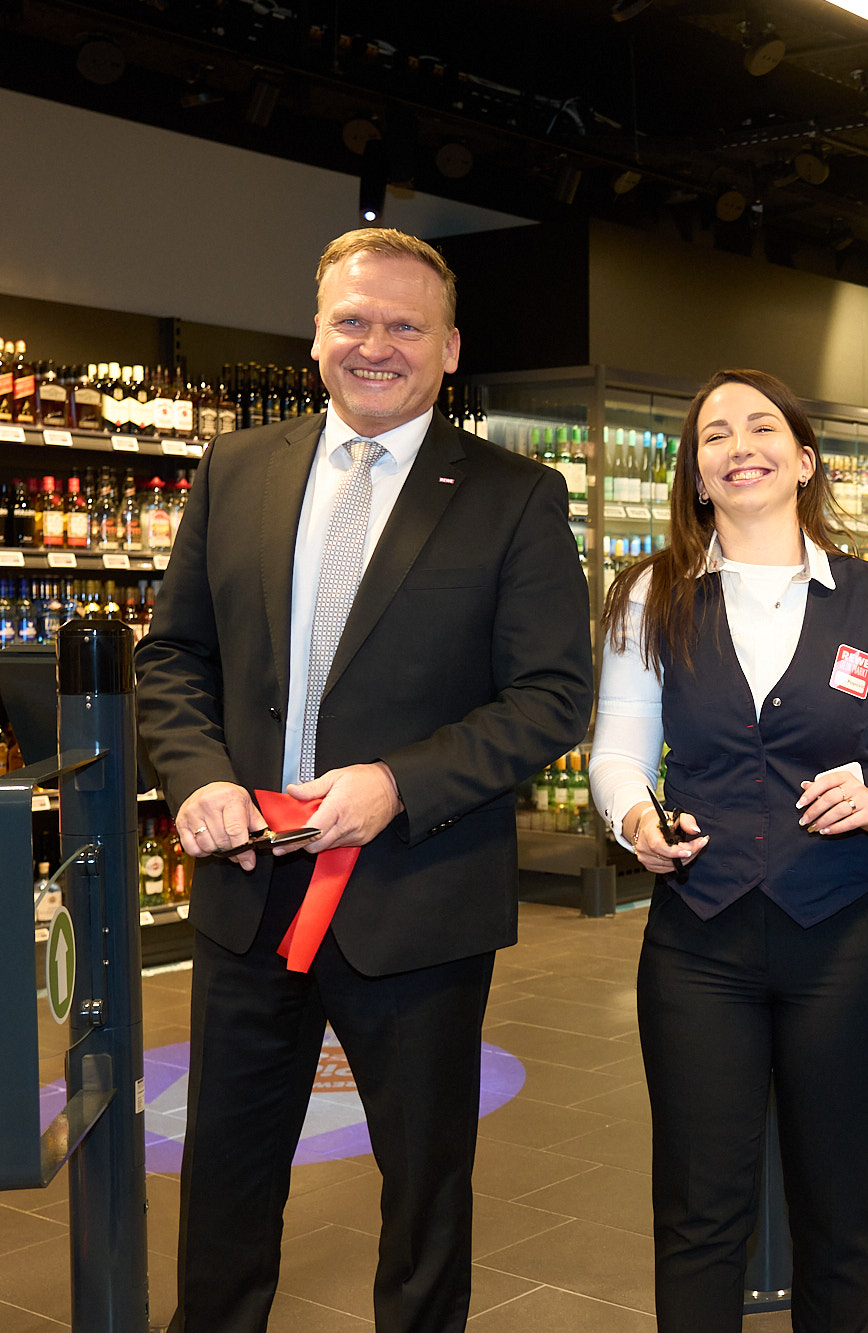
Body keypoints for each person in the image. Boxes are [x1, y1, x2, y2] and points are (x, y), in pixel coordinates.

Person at [135, 228, 593, 1333]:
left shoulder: (513, 496)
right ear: (315, 333)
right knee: (225, 1182)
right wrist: (197, 776)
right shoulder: (238, 469)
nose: (374, 344)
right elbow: (172, 654)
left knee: (424, 1194)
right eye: (353, 320)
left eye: (404, 326)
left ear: (449, 350)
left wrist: (398, 781)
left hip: (414, 891)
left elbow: (549, 695)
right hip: (250, 890)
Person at [586, 368, 868, 1332]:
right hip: (697, 944)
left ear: (804, 459)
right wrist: (638, 822)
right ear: (697, 472)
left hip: (850, 940)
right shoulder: (649, 597)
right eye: (715, 434)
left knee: (840, 1211)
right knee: (700, 1210)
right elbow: (620, 752)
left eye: (762, 427)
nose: (739, 444)